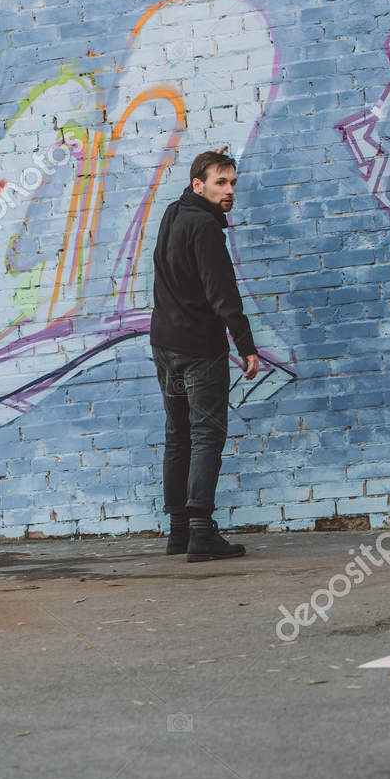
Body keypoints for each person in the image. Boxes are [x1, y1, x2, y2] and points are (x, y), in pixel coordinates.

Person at [150, 149, 260, 562]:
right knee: (205, 435)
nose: (229, 190)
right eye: (220, 183)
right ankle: (200, 533)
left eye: (232, 183)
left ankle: (178, 532)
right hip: (198, 348)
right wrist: (246, 346)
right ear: (199, 185)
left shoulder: (173, 214)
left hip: (165, 344)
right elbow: (223, 294)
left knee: (178, 435)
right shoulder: (205, 227)